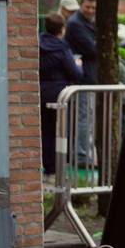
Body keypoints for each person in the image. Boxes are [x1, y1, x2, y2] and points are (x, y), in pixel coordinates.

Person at [39, 13, 85, 174]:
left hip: (41, 93)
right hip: (60, 95)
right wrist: (79, 64)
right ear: (62, 29)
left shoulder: (37, 43)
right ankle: (57, 167)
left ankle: (47, 165)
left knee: (45, 131)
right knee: (61, 131)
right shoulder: (62, 47)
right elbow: (75, 73)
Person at [66, 0, 98, 166]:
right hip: (84, 77)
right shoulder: (76, 24)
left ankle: (84, 152)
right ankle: (81, 155)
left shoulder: (86, 22)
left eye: (93, 7)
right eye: (87, 6)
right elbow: (92, 49)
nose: (91, 10)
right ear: (80, 5)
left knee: (86, 116)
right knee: (84, 117)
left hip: (89, 76)